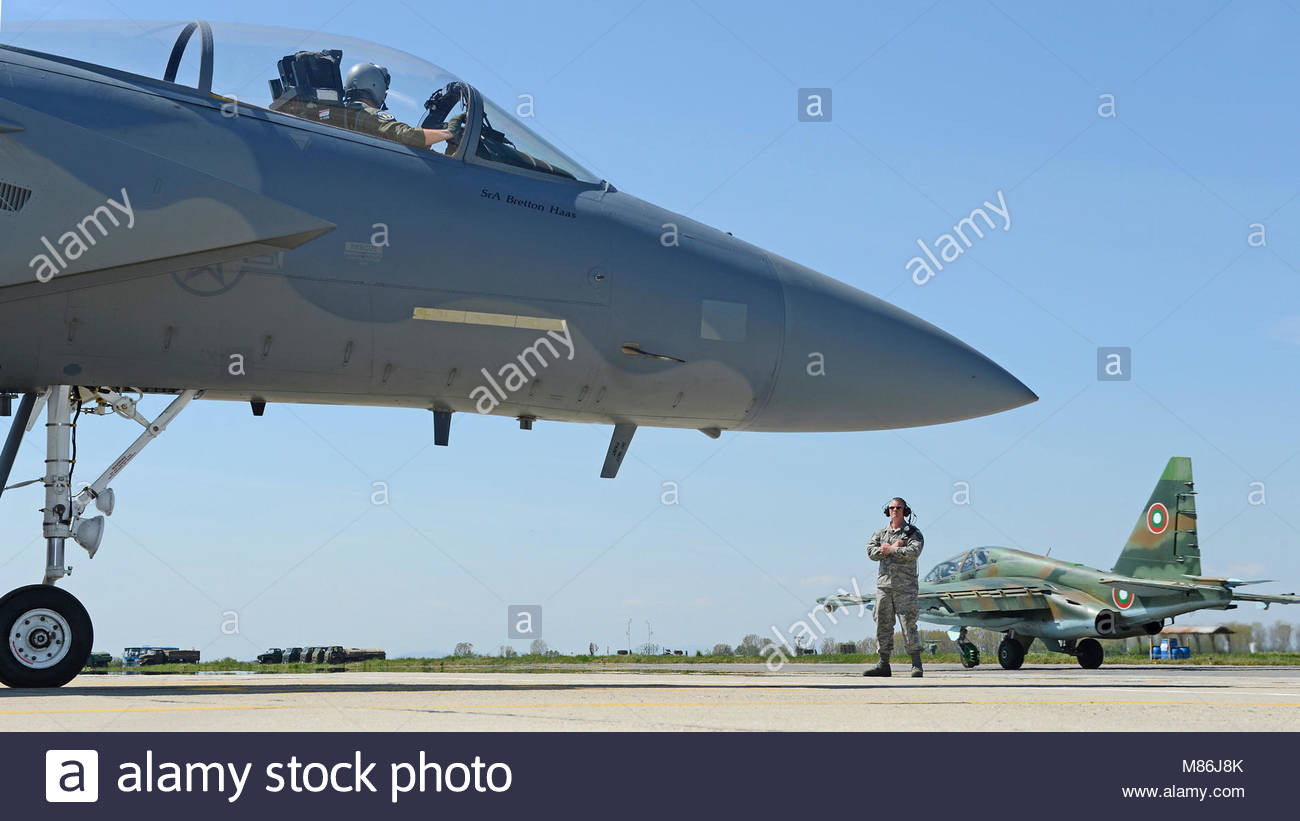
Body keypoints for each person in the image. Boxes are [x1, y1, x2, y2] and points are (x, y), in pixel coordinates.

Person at [863, 497, 925, 678]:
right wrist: (890, 547)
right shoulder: (881, 533)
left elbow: (914, 552)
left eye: (898, 507)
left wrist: (892, 550)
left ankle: (916, 665)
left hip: (906, 588)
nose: (895, 510)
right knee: (882, 624)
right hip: (884, 587)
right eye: (891, 508)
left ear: (905, 510)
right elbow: (870, 552)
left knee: (908, 625)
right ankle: (883, 664)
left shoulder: (912, 533)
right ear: (887, 511)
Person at [340, 62, 457, 149]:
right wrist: (449, 132)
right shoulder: (367, 114)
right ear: (375, 85)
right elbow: (406, 135)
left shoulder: (346, 113)